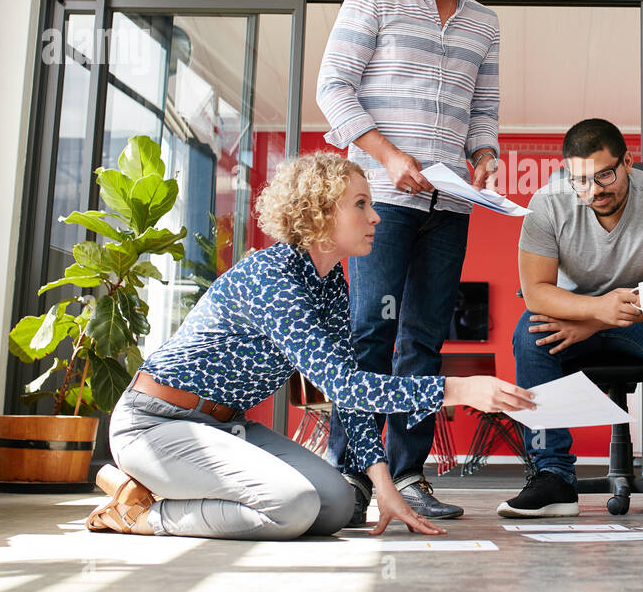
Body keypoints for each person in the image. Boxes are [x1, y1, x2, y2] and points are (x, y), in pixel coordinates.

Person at [88, 152, 533, 539]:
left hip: (225, 426)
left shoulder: (330, 282)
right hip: (156, 422)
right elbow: (346, 386)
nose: (376, 217)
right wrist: (458, 389)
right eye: (361, 204)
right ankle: (143, 513)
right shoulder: (273, 278)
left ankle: (177, 490)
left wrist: (384, 486)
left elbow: (349, 392)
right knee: (293, 505)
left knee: (336, 506)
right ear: (319, 214)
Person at [316, 0, 500, 524]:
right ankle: (349, 476)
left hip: (450, 206)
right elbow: (333, 90)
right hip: (381, 201)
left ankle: (409, 474)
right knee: (371, 331)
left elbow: (484, 111)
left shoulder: (484, 23)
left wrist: (485, 155)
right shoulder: (373, 0)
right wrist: (390, 156)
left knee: (423, 338)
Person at [499, 118, 643, 520]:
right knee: (530, 334)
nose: (594, 190)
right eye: (581, 180)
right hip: (574, 314)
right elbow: (536, 292)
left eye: (605, 175)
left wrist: (597, 321)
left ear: (627, 161)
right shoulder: (547, 203)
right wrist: (595, 309)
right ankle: (552, 476)